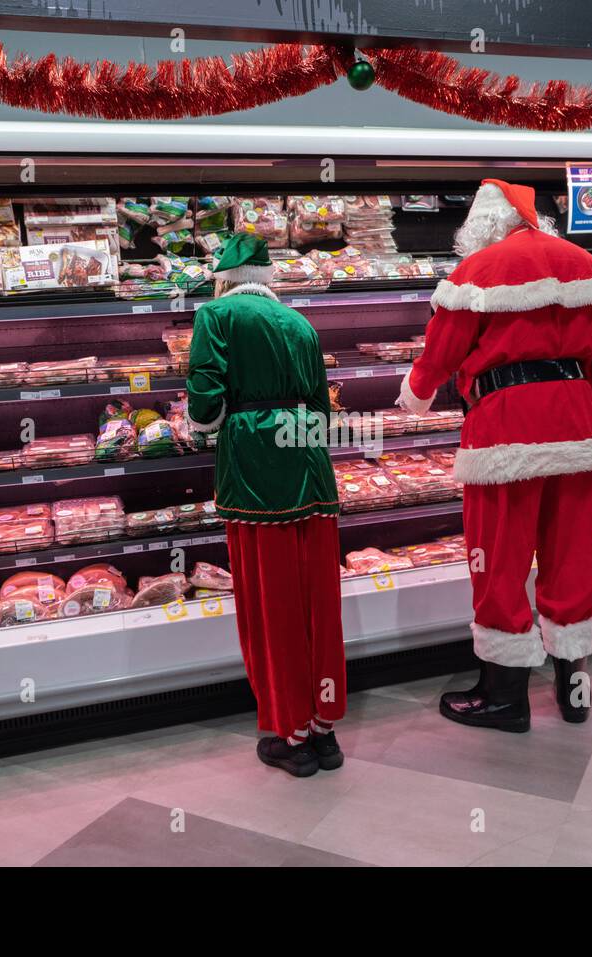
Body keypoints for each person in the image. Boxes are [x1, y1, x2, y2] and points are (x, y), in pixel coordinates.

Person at [396, 179, 592, 731]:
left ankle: (505, 696)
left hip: (505, 423)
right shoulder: (585, 264)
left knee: (498, 554)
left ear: (482, 225)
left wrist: (418, 395)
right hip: (572, 421)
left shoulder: (478, 271)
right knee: (572, 550)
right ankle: (574, 689)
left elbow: (443, 347)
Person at [186, 232, 346, 777]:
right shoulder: (300, 322)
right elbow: (323, 408)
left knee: (270, 598)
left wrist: (205, 421)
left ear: (225, 278)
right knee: (316, 598)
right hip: (307, 456)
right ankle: (323, 729)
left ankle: (289, 733)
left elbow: (205, 402)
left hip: (255, 460)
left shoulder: (216, 316)